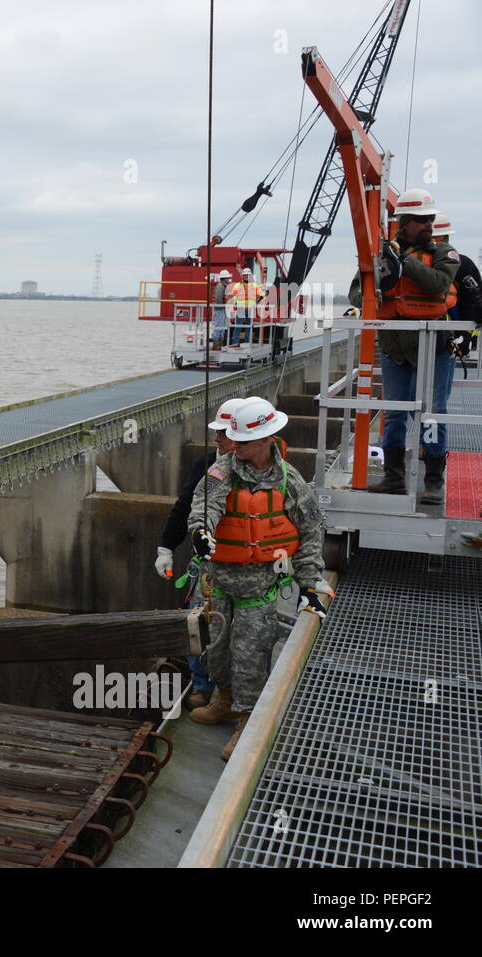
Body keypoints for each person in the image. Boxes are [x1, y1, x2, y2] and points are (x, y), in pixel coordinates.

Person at [186, 397, 328, 760]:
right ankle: (225, 699)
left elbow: (310, 535)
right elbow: (205, 507)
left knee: (250, 657)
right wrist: (202, 532)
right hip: (217, 585)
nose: (235, 444)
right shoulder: (221, 471)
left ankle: (245, 722)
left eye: (243, 440)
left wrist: (310, 586)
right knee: (214, 651)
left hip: (259, 590)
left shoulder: (289, 482)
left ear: (267, 438)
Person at [349, 188, 460, 503]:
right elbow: (357, 292)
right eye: (422, 220)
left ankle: (434, 483)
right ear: (405, 221)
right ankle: (393, 477)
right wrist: (375, 294)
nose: (428, 224)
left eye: (429, 219)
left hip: (433, 349)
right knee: (395, 413)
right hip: (395, 350)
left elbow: (439, 285)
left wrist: (403, 263)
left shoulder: (444, 252)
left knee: (434, 414)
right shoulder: (377, 254)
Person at [154, 396, 245, 708]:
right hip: (207, 566)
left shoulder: (262, 470)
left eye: (225, 432)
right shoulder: (204, 464)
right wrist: (166, 546)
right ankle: (203, 685)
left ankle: (235, 696)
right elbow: (184, 509)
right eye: (217, 432)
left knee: (243, 632)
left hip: (246, 567)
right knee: (200, 623)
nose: (218, 437)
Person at [434, 215, 482, 368]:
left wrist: (466, 336)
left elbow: (475, 302)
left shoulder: (463, 265)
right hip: (423, 337)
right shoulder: (411, 262)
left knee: (437, 388)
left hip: (449, 340)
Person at [229, 267, 266, 346]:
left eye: (247, 275)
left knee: (249, 327)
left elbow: (262, 295)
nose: (246, 276)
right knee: (238, 326)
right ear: (242, 276)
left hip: (250, 309)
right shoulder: (237, 285)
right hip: (240, 309)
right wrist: (234, 304)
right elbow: (232, 296)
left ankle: (247, 342)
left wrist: (257, 302)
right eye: (244, 275)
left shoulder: (255, 285)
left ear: (250, 276)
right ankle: (235, 343)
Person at [211, 270, 231, 348]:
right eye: (227, 278)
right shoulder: (220, 286)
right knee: (218, 327)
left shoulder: (223, 286)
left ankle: (219, 345)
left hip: (222, 310)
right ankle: (216, 345)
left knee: (222, 328)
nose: (228, 279)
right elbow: (218, 299)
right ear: (224, 278)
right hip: (220, 310)